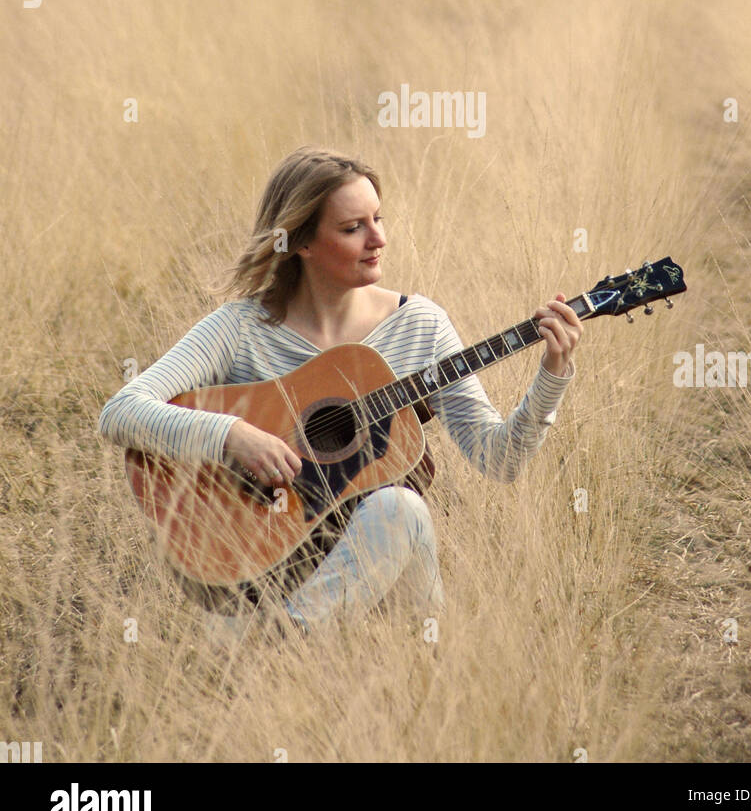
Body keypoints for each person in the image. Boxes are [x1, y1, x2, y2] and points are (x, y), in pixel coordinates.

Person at [99, 145, 582, 641]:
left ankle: (285, 645)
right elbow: (121, 412)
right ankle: (283, 642)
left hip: (387, 581)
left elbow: (498, 460)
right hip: (261, 565)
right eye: (353, 228)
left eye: (378, 218)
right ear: (302, 242)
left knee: (400, 508)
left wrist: (553, 373)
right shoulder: (240, 328)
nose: (379, 239)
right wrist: (233, 435)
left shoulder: (419, 326)